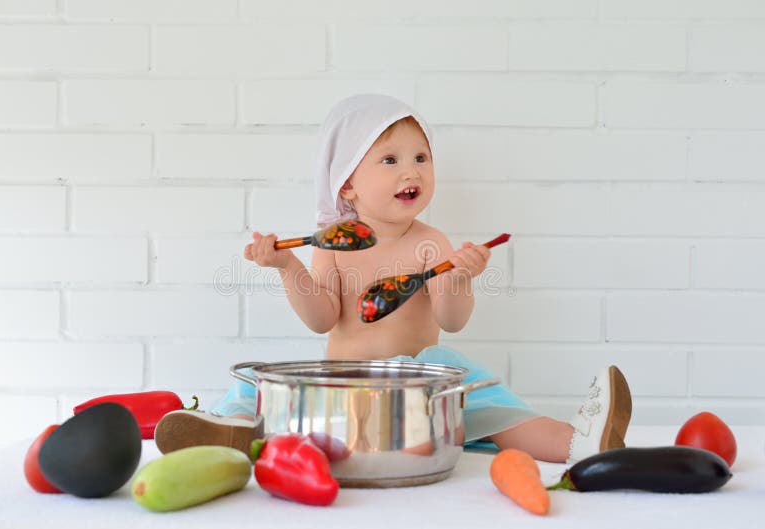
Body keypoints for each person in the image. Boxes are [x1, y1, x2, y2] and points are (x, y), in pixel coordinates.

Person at [156, 94, 632, 463]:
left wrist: (460, 278)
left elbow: (453, 318)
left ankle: (578, 443)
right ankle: (226, 431)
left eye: (421, 158)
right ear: (347, 183)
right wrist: (288, 266)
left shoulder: (431, 242)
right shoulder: (331, 243)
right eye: (390, 160)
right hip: (346, 390)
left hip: (420, 392)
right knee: (257, 384)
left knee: (481, 394)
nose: (412, 171)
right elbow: (322, 320)